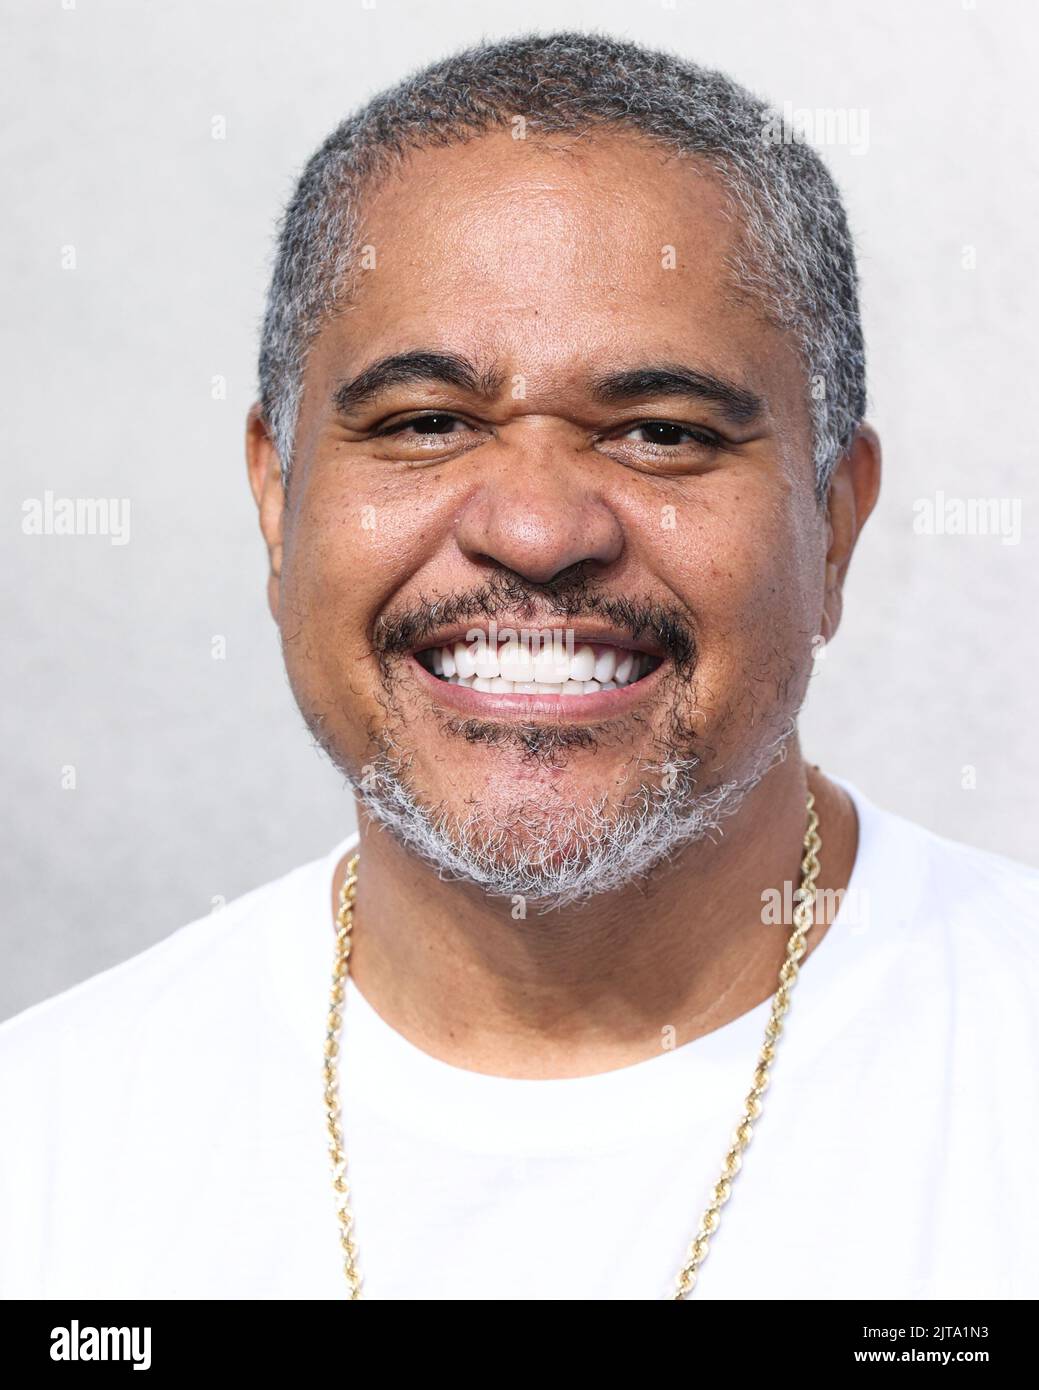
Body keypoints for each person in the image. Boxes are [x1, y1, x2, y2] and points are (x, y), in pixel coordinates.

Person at [2, 30, 1036, 1302]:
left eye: (660, 432)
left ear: (834, 523)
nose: (539, 531)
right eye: (426, 423)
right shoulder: (44, 1147)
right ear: (278, 501)